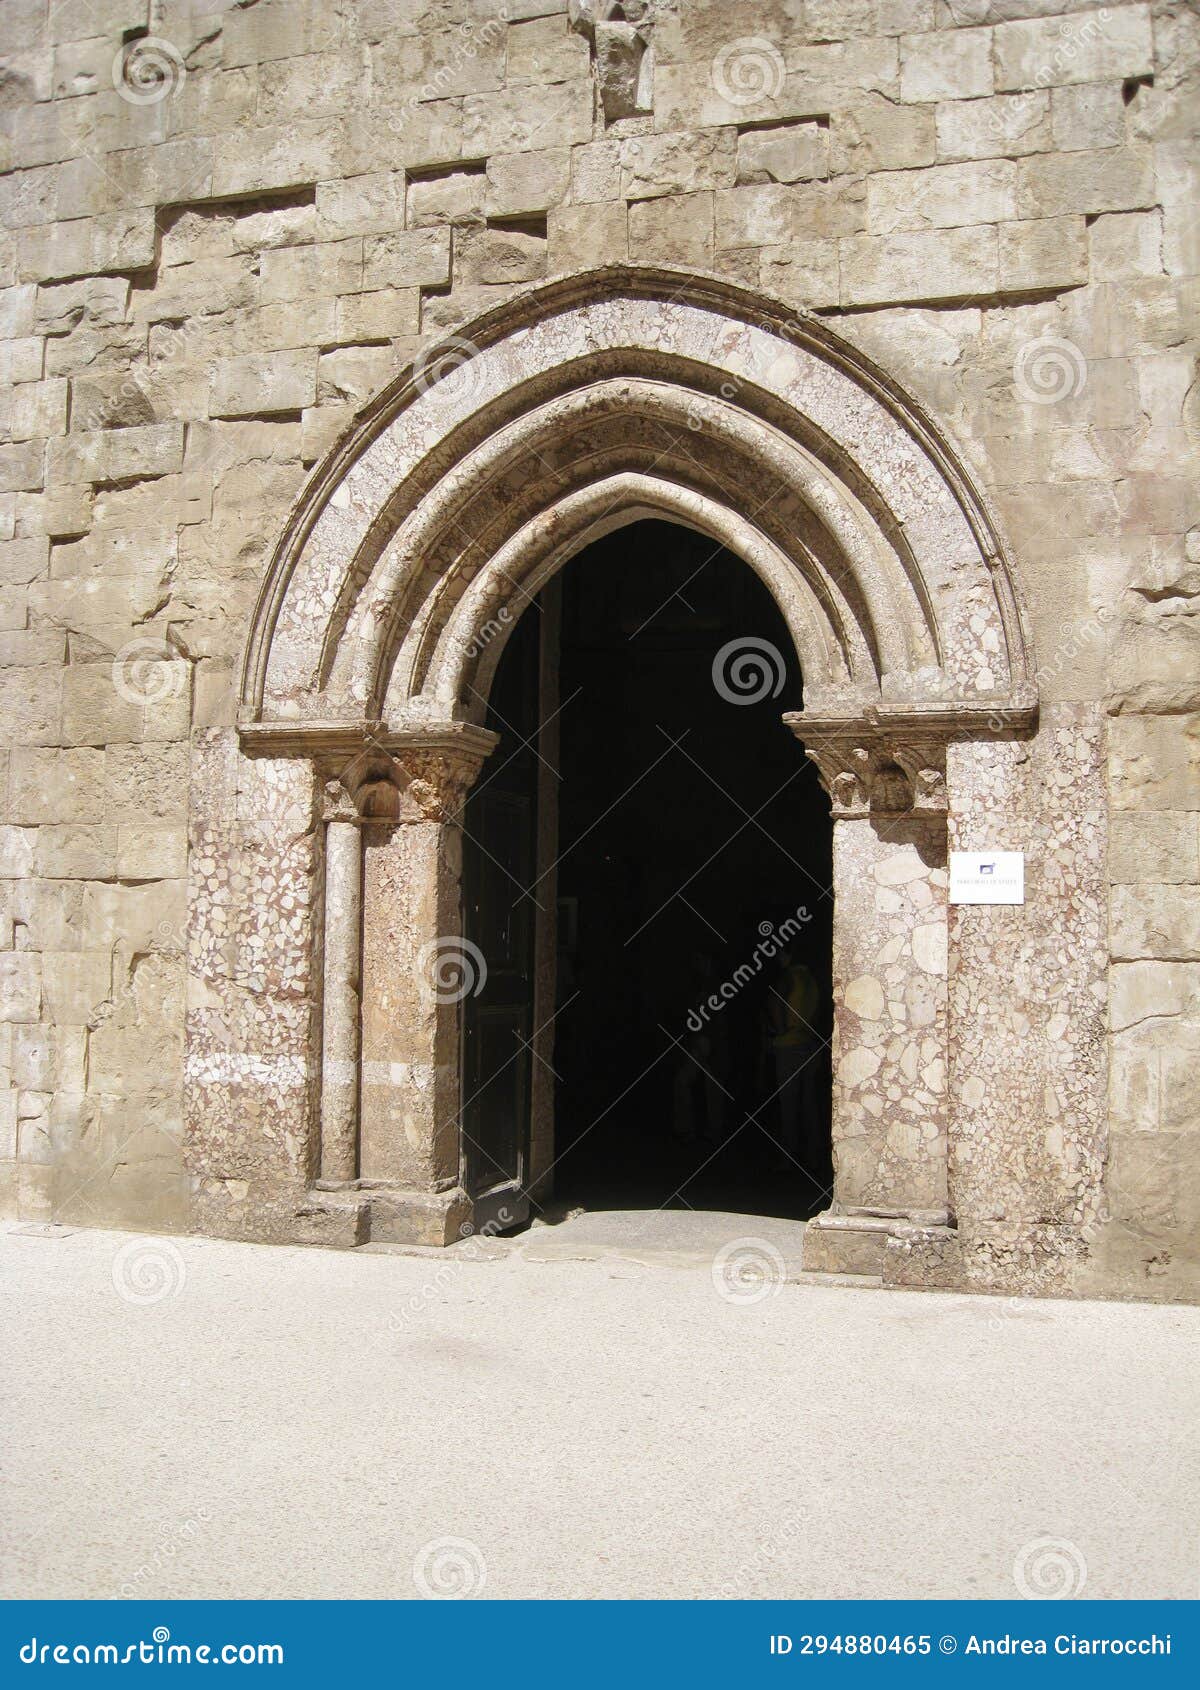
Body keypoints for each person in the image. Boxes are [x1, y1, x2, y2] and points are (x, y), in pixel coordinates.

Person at [766, 940, 823, 1173]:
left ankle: (787, 1157)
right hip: (810, 1045)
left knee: (788, 1103)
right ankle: (814, 1156)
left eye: (779, 954)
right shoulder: (811, 980)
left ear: (786, 955)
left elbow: (776, 1005)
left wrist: (779, 1032)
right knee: (809, 1103)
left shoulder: (787, 977)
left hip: (788, 1045)